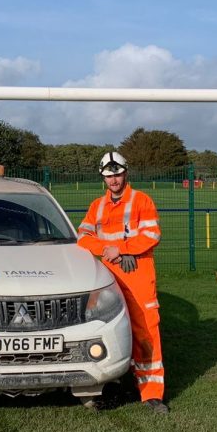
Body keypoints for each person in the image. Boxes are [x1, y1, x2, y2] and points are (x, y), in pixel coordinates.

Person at [77, 151, 168, 414]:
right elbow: (83, 236)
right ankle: (115, 385)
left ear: (125, 173)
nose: (113, 180)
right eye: (108, 176)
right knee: (110, 329)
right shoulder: (97, 206)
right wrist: (111, 249)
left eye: (117, 174)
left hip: (138, 274)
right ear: (103, 178)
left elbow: (152, 234)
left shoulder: (141, 200)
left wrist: (126, 249)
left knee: (146, 331)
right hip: (110, 275)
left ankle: (152, 393)